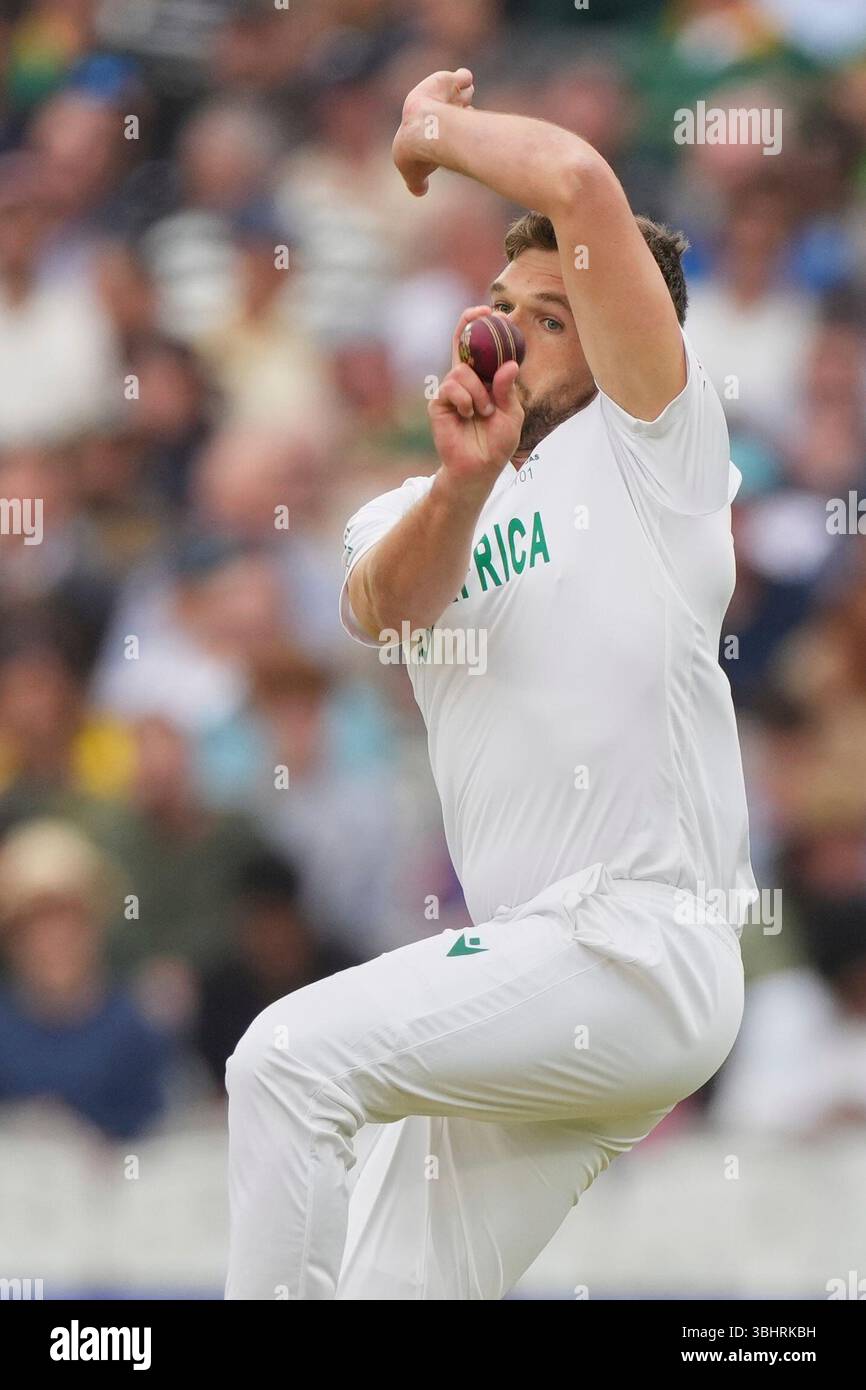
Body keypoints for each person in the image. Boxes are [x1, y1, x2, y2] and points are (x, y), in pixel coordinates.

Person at [224, 67, 756, 1301]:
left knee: (283, 1061)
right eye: (497, 303)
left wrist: (432, 137)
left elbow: (577, 182)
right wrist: (461, 483)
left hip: (637, 943)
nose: (508, 329)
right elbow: (380, 610)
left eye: (552, 312)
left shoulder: (656, 455)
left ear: (628, 334)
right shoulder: (421, 505)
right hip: (531, 971)